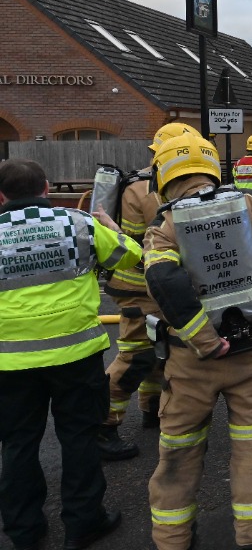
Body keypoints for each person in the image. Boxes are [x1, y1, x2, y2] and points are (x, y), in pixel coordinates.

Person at [144, 134, 252, 550]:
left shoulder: (164, 226)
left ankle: (172, 538)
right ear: (212, 167)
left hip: (191, 362)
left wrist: (203, 338)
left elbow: (164, 281)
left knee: (179, 453)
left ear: (164, 175)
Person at [1, 159, 141, 550]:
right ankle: (84, 522)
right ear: (46, 188)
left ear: (1, 195)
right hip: (75, 354)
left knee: (17, 443)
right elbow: (128, 257)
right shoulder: (78, 224)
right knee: (79, 438)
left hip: (8, 362)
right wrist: (115, 230)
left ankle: (24, 531)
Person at [99, 122, 198, 462]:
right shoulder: (151, 190)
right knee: (136, 356)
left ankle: (151, 408)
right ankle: (103, 425)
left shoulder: (143, 183)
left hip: (144, 283)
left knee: (158, 351)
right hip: (141, 287)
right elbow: (177, 235)